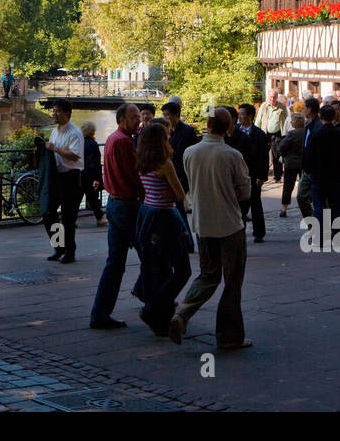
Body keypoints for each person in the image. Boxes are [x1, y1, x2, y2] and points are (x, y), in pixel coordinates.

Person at [170, 108, 250, 349]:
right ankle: (228, 335)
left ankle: (182, 313)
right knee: (232, 281)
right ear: (228, 127)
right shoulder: (231, 154)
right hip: (229, 224)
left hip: (202, 223)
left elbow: (189, 182)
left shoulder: (189, 152)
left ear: (207, 125)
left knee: (207, 274)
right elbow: (245, 191)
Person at [133, 121, 190, 335]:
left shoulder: (141, 160)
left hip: (147, 214)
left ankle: (161, 317)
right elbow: (180, 193)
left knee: (161, 267)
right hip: (165, 217)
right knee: (183, 270)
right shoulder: (165, 163)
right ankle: (153, 308)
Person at [90, 103, 143, 330]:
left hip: (115, 203)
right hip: (127, 206)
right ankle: (155, 302)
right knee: (149, 256)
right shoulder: (123, 141)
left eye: (139, 117)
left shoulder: (113, 138)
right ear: (122, 119)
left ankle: (100, 313)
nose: (138, 121)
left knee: (115, 262)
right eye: (134, 117)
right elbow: (133, 175)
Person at [43, 99, 84, 263]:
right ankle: (58, 247)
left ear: (66, 113)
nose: (54, 114)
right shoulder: (55, 131)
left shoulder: (75, 132)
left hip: (71, 177)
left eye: (57, 111)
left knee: (68, 217)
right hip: (56, 177)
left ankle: (69, 251)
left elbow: (74, 155)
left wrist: (55, 149)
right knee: (48, 213)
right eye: (53, 111)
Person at [304, 104, 340, 237]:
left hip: (318, 175)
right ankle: (338, 235)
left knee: (319, 206)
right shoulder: (339, 134)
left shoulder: (316, 134)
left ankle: (321, 235)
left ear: (320, 116)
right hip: (335, 176)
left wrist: (308, 170)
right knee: (336, 205)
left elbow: (309, 154)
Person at [162, 100, 199, 252]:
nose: (165, 118)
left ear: (176, 116)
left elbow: (190, 154)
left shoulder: (186, 131)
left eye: (167, 115)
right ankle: (184, 241)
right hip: (171, 175)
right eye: (163, 115)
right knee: (177, 211)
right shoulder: (167, 131)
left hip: (181, 175)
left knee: (178, 210)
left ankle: (188, 242)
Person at [235, 104, 269, 242]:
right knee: (239, 205)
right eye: (239, 114)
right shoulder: (235, 132)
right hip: (239, 173)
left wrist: (262, 176)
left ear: (250, 116)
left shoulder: (259, 134)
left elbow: (263, 157)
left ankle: (259, 233)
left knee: (255, 203)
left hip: (254, 173)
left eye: (242, 114)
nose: (239, 117)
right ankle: (238, 231)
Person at [277, 113, 305, 218]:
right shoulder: (307, 132)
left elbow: (282, 147)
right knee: (305, 186)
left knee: (288, 186)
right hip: (304, 162)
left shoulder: (292, 133)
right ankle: (306, 206)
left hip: (291, 163)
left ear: (297, 122)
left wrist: (283, 153)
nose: (291, 122)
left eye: (292, 120)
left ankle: (284, 208)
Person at [78, 121, 105, 225]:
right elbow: (95, 162)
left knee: (77, 198)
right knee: (93, 197)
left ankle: (70, 219)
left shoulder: (80, 142)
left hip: (80, 173)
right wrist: (97, 178)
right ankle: (100, 218)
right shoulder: (93, 144)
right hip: (89, 175)